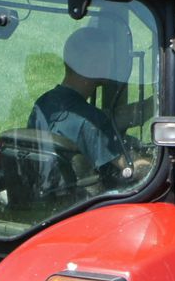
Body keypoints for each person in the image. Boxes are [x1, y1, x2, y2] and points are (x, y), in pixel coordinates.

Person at [28, 21, 134, 178]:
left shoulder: (42, 104)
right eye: (108, 59)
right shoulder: (90, 121)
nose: (112, 65)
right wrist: (150, 164)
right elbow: (129, 166)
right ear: (93, 64)